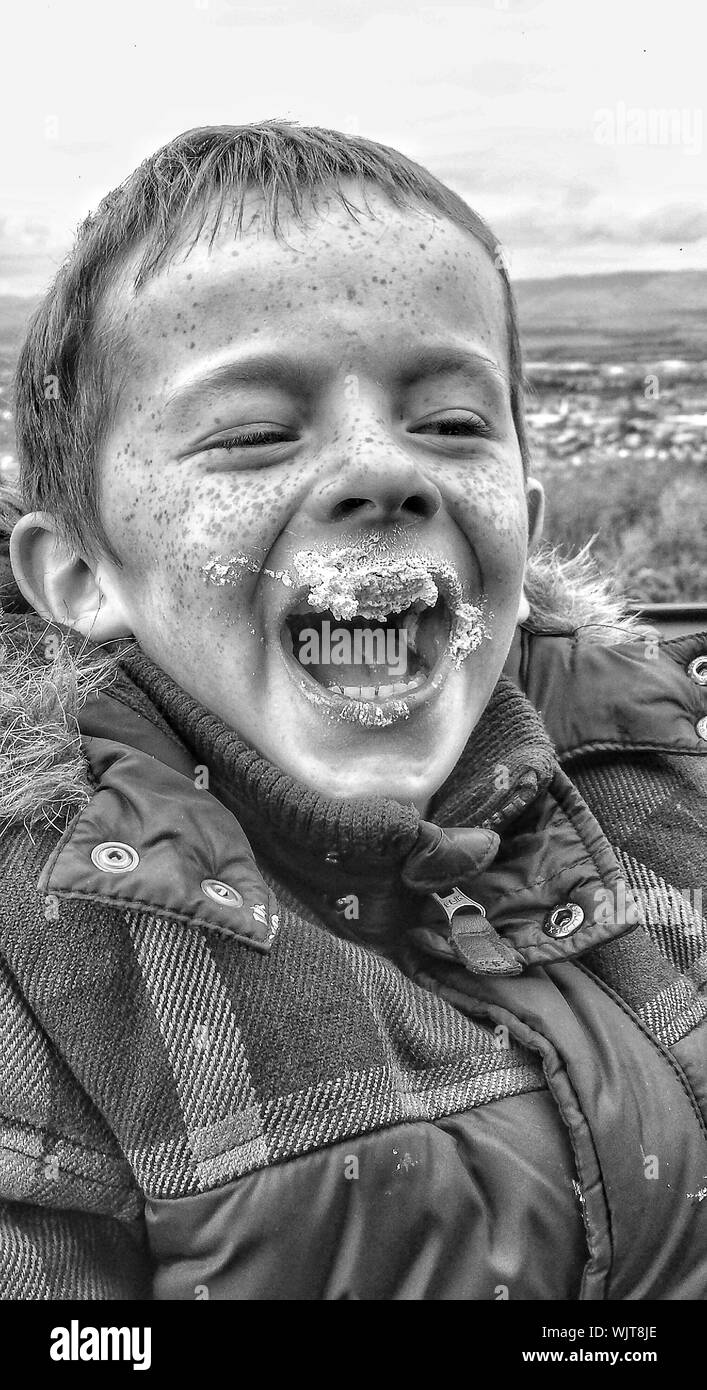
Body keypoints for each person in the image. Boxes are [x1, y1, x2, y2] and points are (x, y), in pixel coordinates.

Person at [0, 122, 705, 1301]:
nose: (387, 471)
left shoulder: (651, 775)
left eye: (451, 423)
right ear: (83, 574)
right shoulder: (43, 958)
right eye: (253, 433)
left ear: (522, 521)